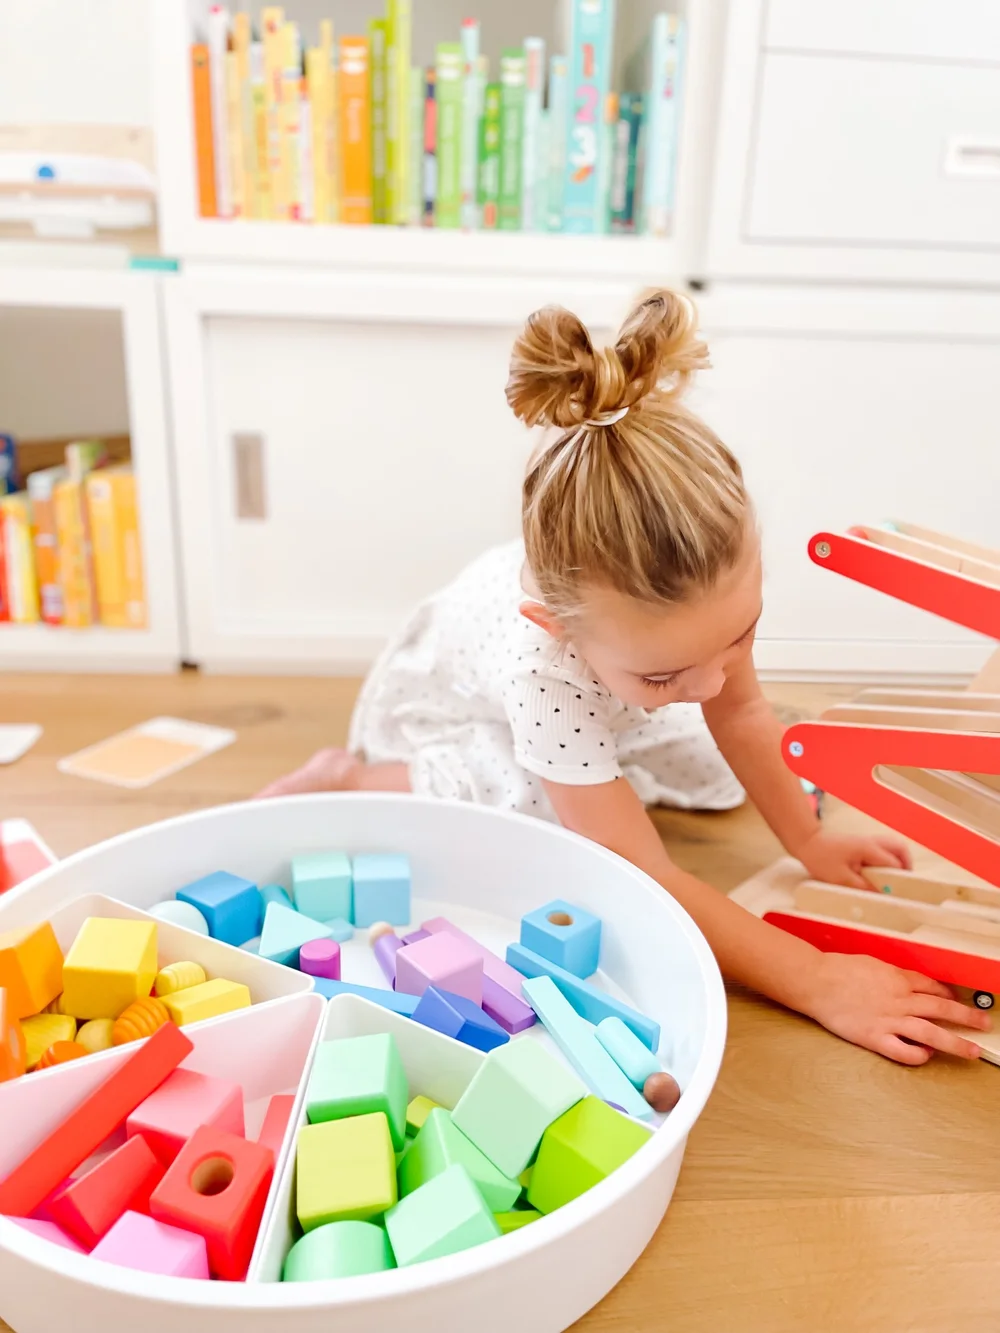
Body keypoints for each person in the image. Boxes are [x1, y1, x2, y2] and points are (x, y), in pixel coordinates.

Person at [259, 288, 990, 1065]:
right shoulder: (546, 673)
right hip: (462, 710)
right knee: (537, 812)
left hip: (601, 678)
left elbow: (740, 714)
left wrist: (808, 839)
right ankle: (351, 774)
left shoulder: (687, 615)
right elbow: (644, 872)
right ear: (562, 633)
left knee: (714, 759)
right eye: (672, 672)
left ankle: (656, 696)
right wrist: (815, 979)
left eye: (739, 635)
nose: (715, 681)